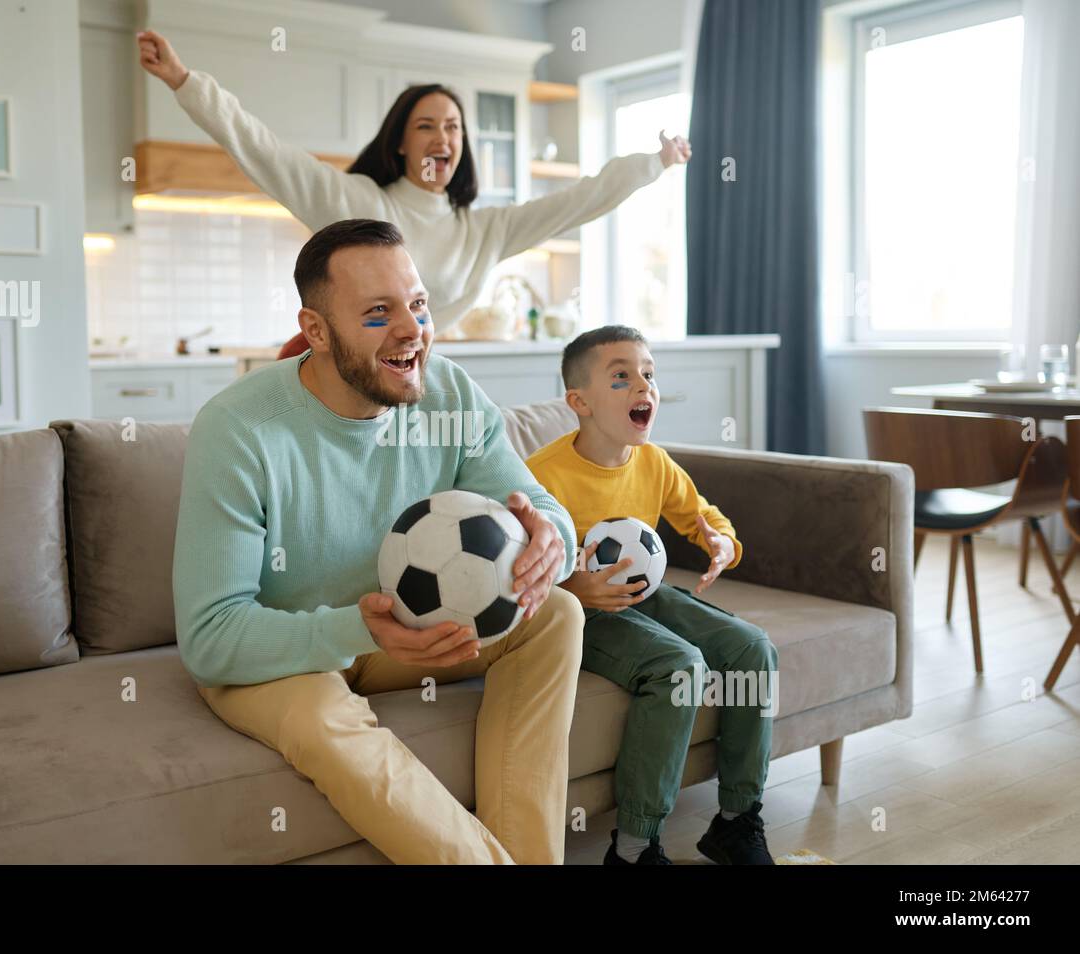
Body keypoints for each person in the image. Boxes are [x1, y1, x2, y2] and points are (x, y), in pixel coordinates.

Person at [172, 218, 585, 864]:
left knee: (556, 611)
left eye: (418, 305)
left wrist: (549, 545)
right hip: (281, 653)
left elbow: (543, 512)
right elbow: (211, 638)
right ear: (316, 331)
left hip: (403, 629)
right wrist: (358, 631)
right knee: (320, 718)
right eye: (378, 313)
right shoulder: (238, 430)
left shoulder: (449, 394)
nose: (412, 331)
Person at [138, 29, 691, 343]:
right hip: (334, 376)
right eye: (425, 126)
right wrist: (186, 83)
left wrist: (653, 163)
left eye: (452, 127)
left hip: (413, 381)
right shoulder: (359, 204)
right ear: (400, 143)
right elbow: (263, 150)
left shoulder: (485, 231)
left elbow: (580, 201)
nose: (440, 137)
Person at [525, 325, 780, 866]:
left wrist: (720, 541)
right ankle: (636, 848)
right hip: (576, 612)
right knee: (679, 666)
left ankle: (736, 821)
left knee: (752, 648)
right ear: (580, 402)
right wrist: (575, 586)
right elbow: (516, 572)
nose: (643, 385)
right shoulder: (540, 477)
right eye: (621, 377)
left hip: (648, 594)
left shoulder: (654, 462)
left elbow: (701, 515)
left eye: (648, 374)